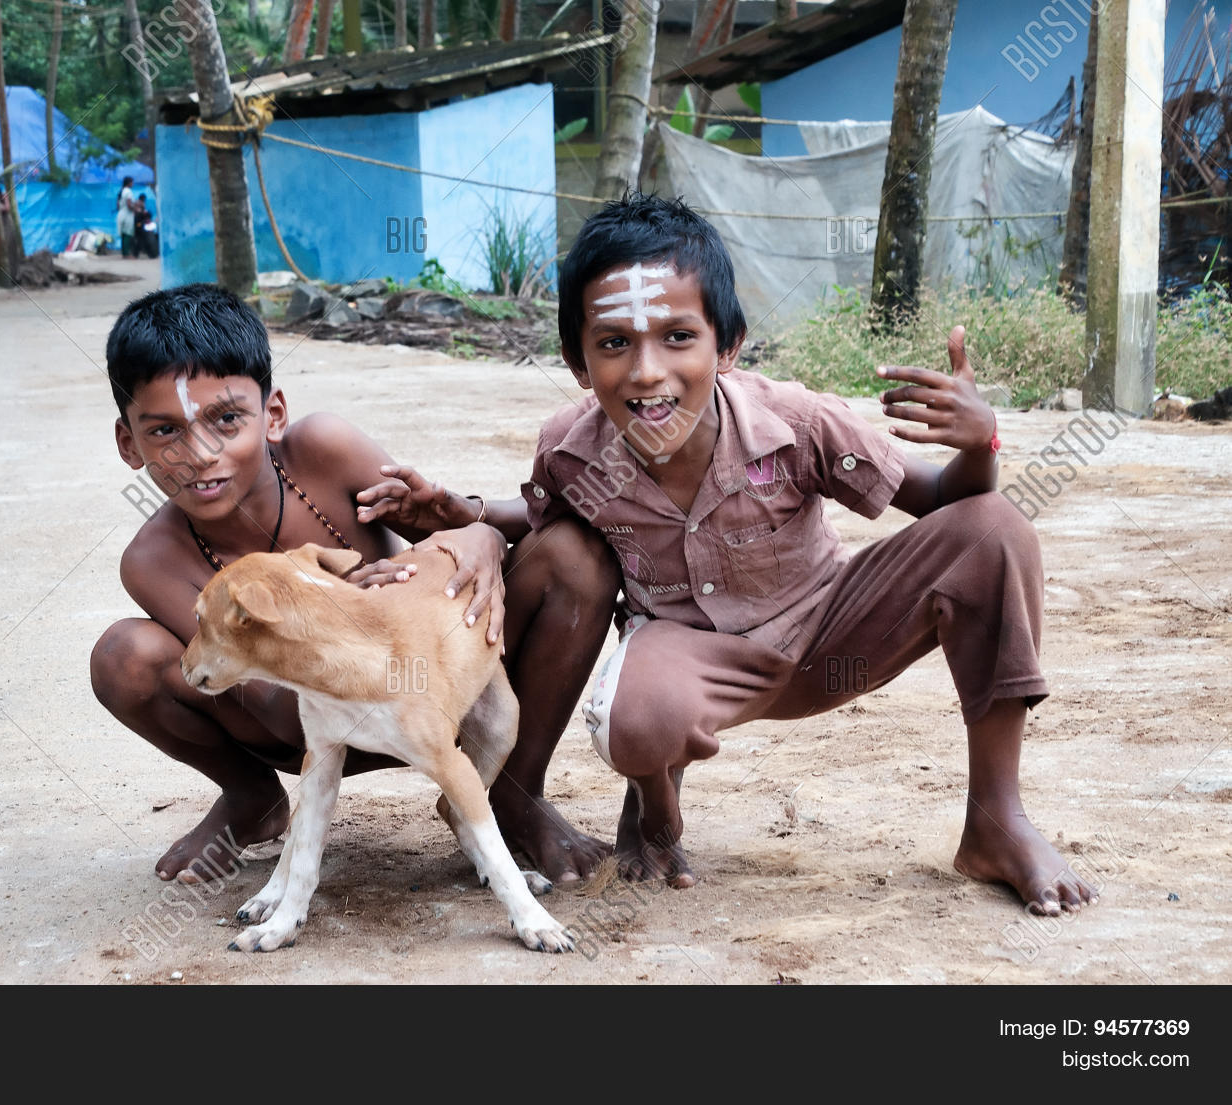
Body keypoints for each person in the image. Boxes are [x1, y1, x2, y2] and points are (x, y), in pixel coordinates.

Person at [361, 193, 1098, 917]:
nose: (648, 371)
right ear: (578, 362)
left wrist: (982, 443)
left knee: (997, 527)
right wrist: (474, 516)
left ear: (729, 344)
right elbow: (555, 521)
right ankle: (653, 804)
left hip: (830, 633)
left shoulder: (797, 421)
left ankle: (996, 819)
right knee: (630, 706)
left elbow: (949, 505)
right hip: (689, 662)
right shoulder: (572, 446)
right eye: (615, 343)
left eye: (678, 336)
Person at [90, 284, 617, 885]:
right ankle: (249, 799)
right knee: (123, 657)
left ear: (274, 414)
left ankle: (514, 795)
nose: (199, 454)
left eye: (226, 419)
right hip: (309, 731)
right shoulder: (154, 560)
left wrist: (470, 527)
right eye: (164, 432)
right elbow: (287, 716)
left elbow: (495, 527)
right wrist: (338, 605)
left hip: (437, 693)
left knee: (574, 555)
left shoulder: (323, 451)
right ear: (129, 443)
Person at [116, 176, 136, 258]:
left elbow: (117, 205)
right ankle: (127, 254)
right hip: (127, 214)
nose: (133, 184)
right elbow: (129, 204)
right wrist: (135, 209)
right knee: (128, 233)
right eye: (132, 182)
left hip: (121, 213)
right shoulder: (128, 192)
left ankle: (124, 253)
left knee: (123, 234)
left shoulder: (121, 191)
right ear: (129, 183)